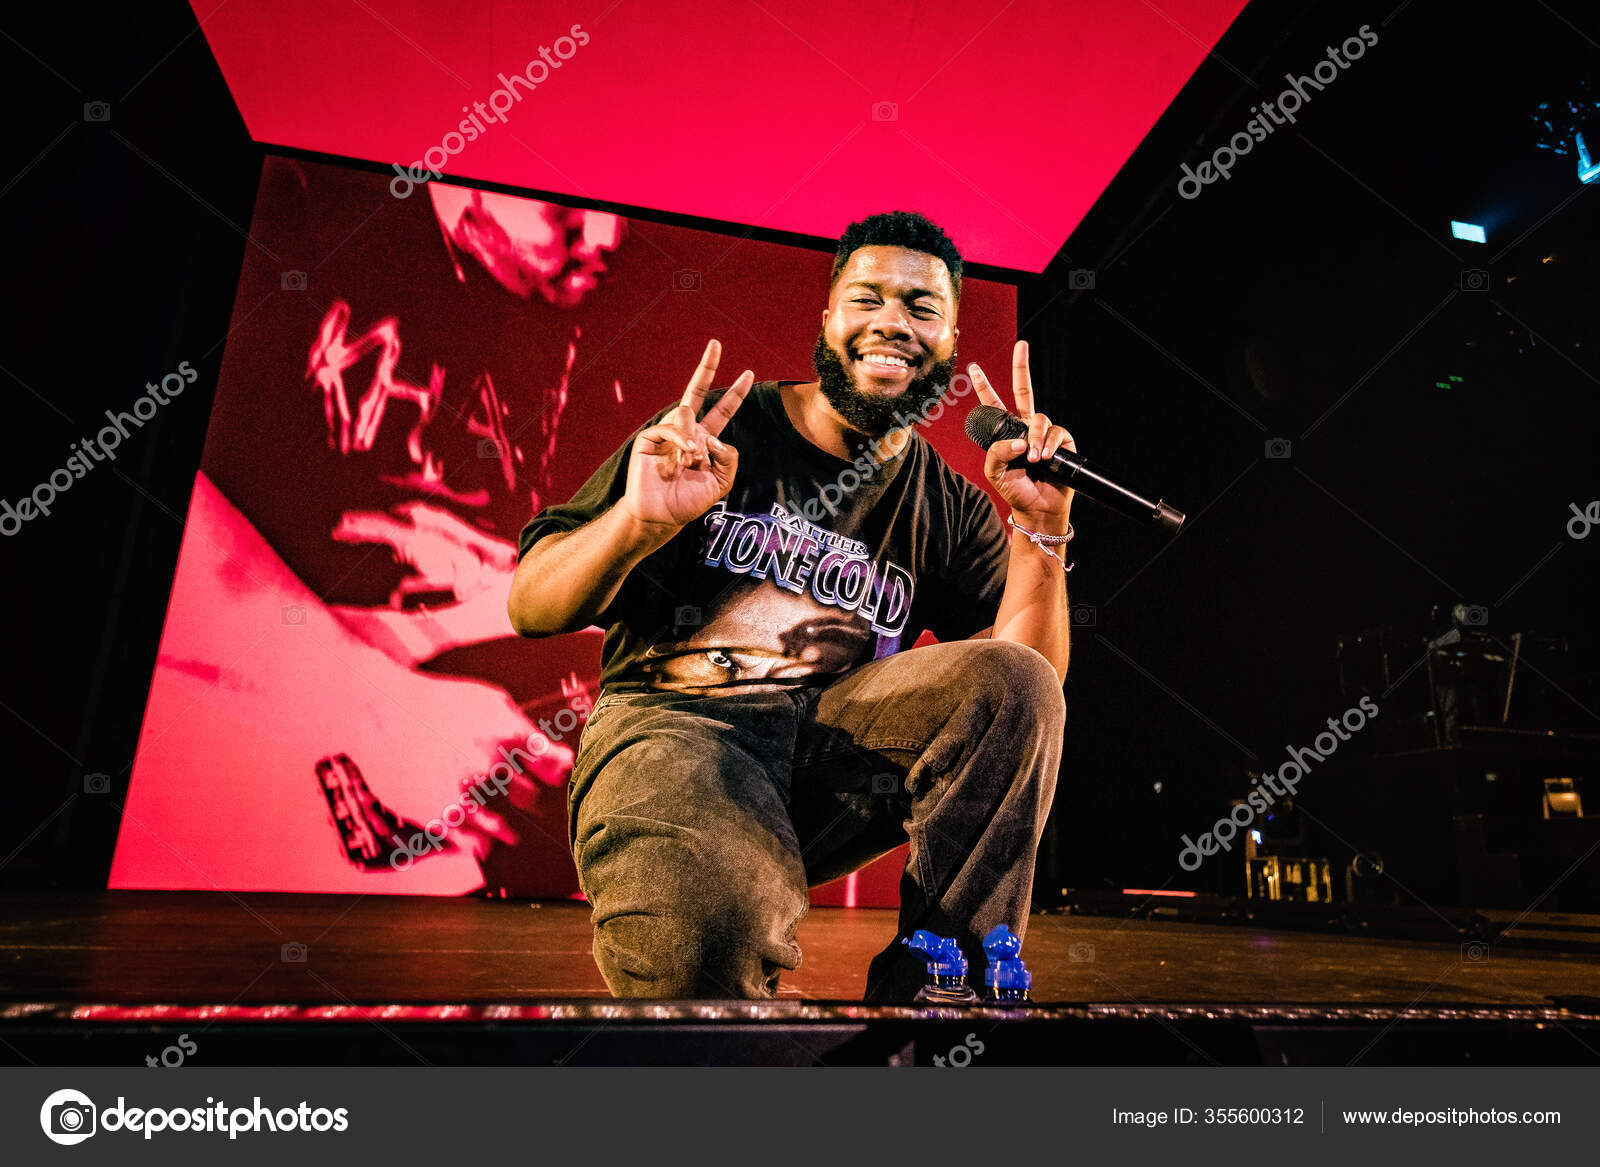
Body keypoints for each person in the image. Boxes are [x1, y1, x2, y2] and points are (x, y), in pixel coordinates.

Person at [507, 211, 1076, 1001]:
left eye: (921, 308)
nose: (892, 324)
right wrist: (635, 523)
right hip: (678, 730)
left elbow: (1029, 691)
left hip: (826, 757)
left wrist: (1040, 529)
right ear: (828, 319)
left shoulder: (948, 506)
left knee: (1014, 682)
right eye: (867, 298)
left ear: (949, 340)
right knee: (703, 957)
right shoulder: (716, 436)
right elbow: (532, 604)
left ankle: (942, 989)